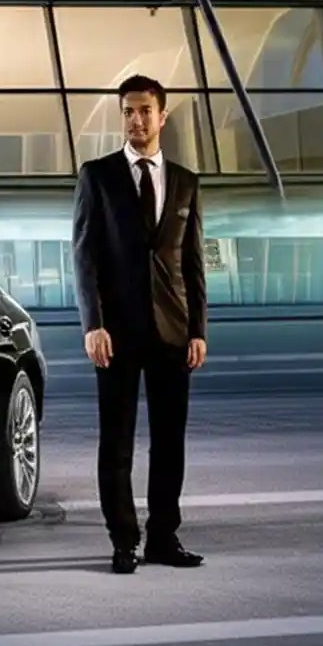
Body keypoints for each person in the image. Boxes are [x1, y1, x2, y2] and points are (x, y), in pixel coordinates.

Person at [71, 74, 209, 575]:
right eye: (128, 111)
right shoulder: (97, 175)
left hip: (174, 334)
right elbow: (84, 257)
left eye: (145, 110)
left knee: (170, 441)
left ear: (162, 116)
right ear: (122, 116)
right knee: (118, 441)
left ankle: (163, 538)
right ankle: (123, 540)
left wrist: (198, 330)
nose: (136, 120)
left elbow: (191, 263)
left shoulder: (187, 182)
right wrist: (93, 323)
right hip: (118, 334)